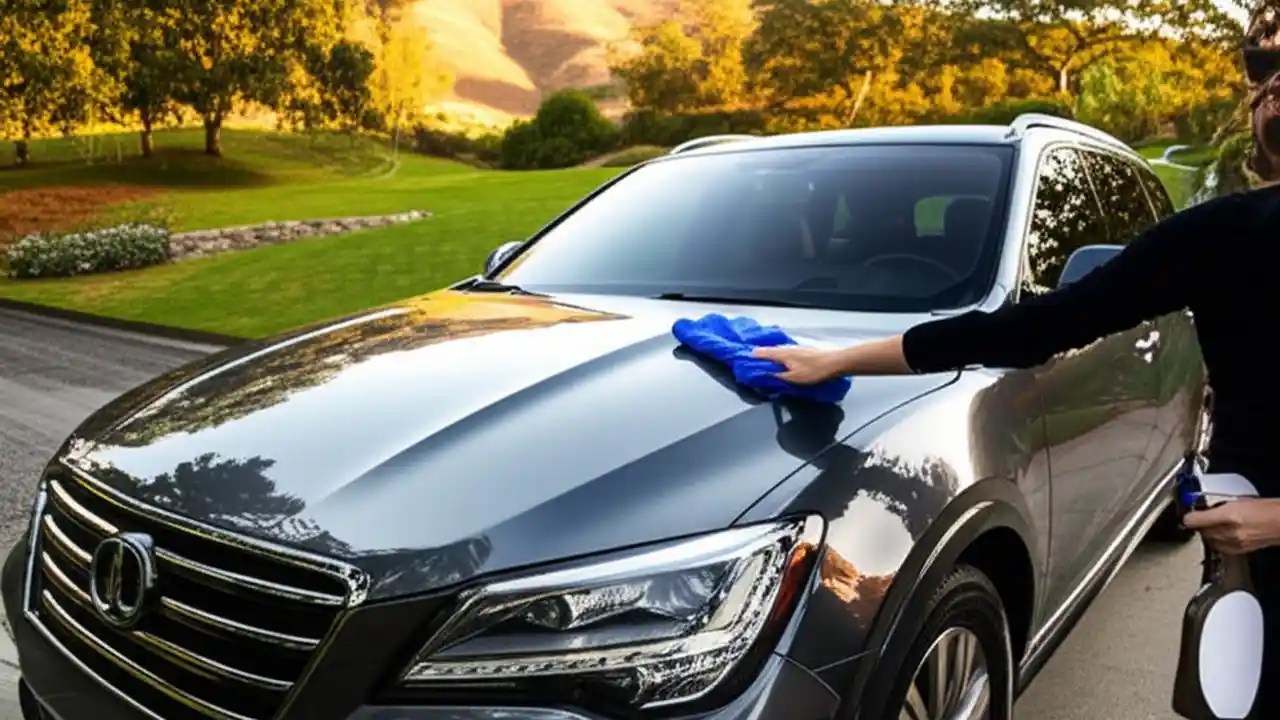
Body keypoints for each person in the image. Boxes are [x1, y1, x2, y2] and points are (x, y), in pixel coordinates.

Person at [754, 6, 1280, 716]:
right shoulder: (1222, 238)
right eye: (1261, 71)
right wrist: (840, 359)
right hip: (1256, 580)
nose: (1266, 88)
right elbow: (1039, 327)